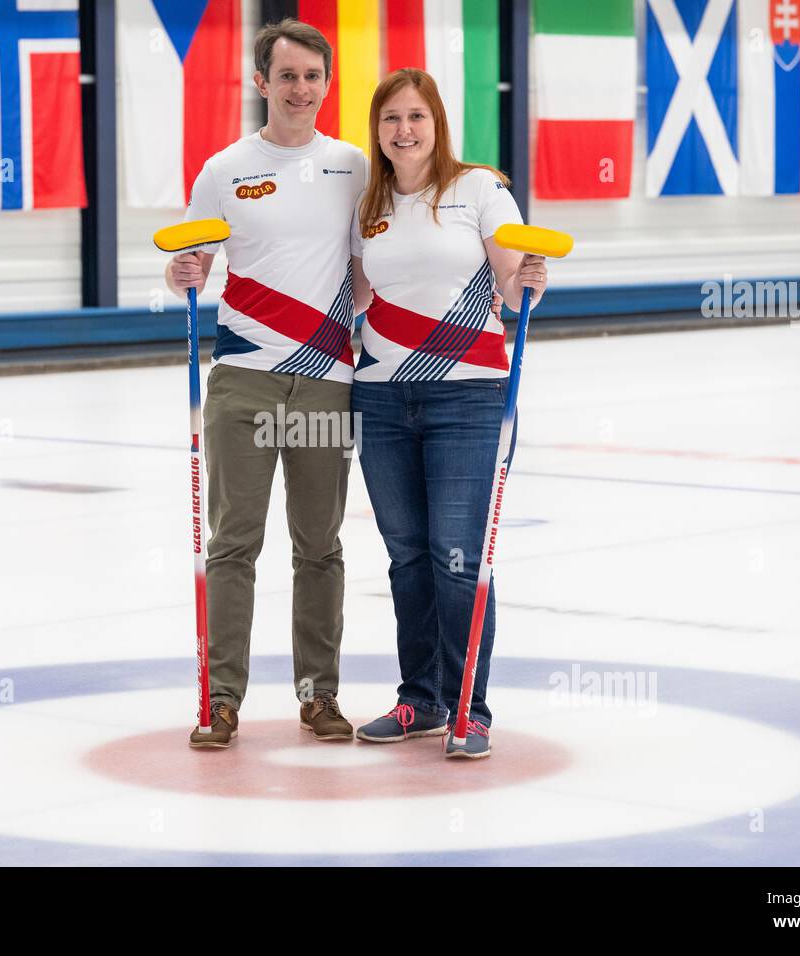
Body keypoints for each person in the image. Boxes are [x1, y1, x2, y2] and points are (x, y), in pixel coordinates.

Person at [164, 19, 366, 747]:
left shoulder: (354, 166)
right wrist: (181, 271)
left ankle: (319, 697)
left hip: (325, 384)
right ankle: (222, 700)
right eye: (287, 76)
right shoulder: (223, 170)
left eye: (313, 76)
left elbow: (378, 262)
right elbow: (190, 261)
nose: (301, 89)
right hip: (244, 381)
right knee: (234, 546)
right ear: (261, 82)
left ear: (326, 82)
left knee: (319, 546)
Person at [348, 69, 548, 759]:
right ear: (376, 130)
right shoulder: (367, 203)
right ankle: (421, 700)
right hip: (378, 398)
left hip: (467, 396)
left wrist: (526, 284)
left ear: (437, 124)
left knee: (456, 559)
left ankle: (471, 707)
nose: (404, 131)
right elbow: (352, 293)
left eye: (416, 117)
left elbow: (512, 281)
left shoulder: (479, 190)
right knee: (407, 557)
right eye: (390, 119)